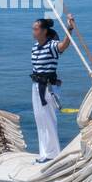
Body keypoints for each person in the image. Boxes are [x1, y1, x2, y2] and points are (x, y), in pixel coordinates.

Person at [29, 14, 75, 162]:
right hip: (36, 85)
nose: (33, 31)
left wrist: (70, 28)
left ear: (43, 31)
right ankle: (44, 153)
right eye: (33, 29)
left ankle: (52, 154)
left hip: (48, 87)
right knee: (39, 119)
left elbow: (64, 45)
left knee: (48, 118)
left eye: (35, 29)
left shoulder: (52, 45)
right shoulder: (35, 47)